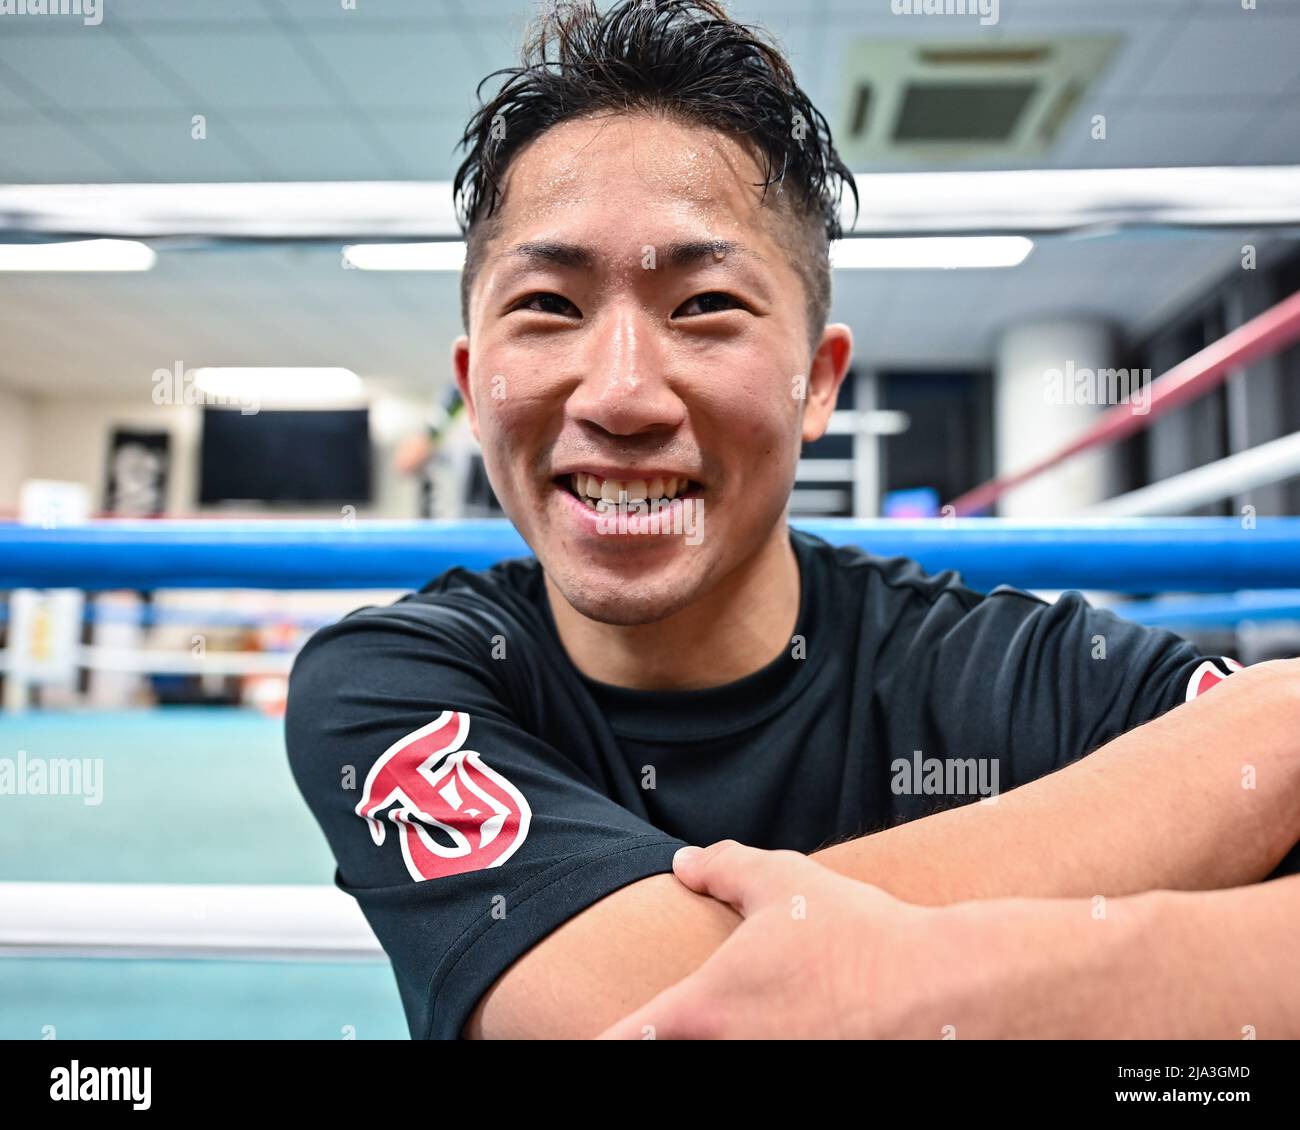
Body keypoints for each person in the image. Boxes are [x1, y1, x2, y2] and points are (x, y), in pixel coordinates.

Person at [285, 0, 1300, 1040]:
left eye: (704, 306)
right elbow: (645, 1018)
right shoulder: (387, 686)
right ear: (473, 384)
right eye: (548, 305)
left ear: (816, 383)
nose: (621, 395)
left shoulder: (1026, 676)